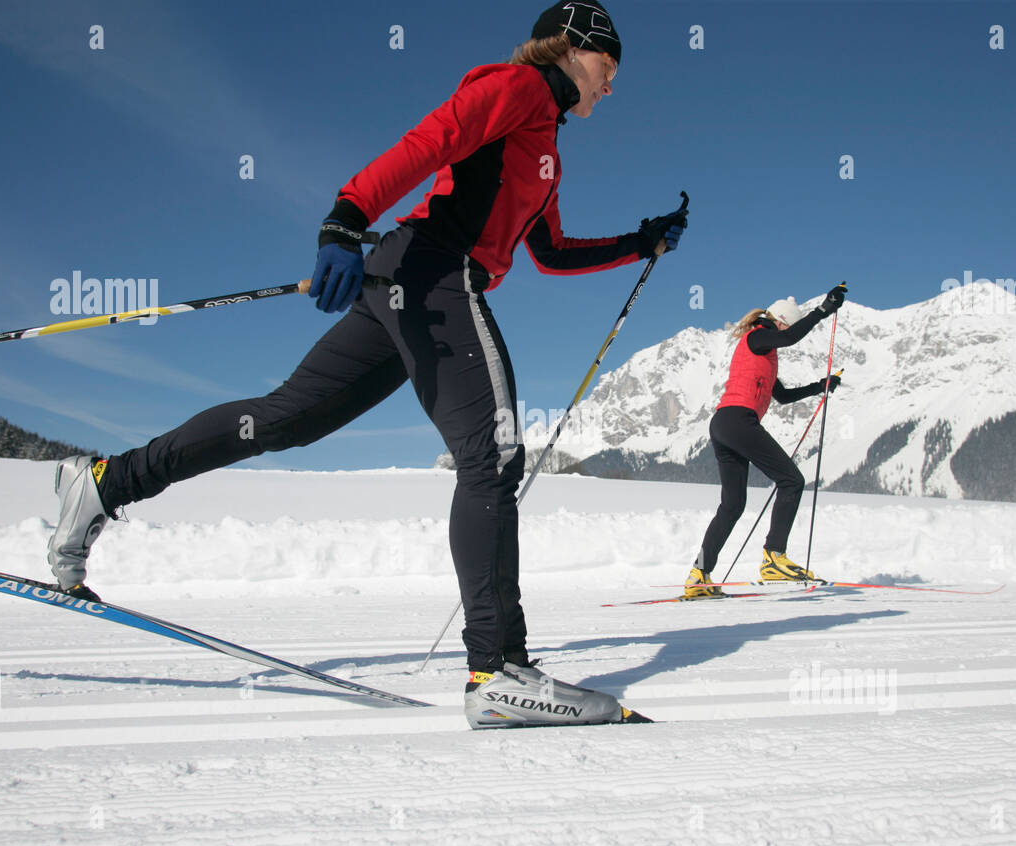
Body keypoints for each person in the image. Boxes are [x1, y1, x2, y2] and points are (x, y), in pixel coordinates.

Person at [46, 1, 682, 728]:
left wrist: (643, 242)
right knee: (493, 455)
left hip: (406, 282)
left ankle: (103, 483)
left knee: (287, 418)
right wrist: (346, 216)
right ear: (573, 47)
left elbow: (551, 251)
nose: (612, 85)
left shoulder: (546, 146)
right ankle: (500, 670)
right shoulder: (520, 89)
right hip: (435, 274)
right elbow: (432, 140)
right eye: (610, 66)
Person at [683, 285, 846, 598]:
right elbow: (789, 338)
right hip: (738, 421)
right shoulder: (760, 335)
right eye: (789, 325)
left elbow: (781, 396)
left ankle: (699, 574)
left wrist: (820, 387)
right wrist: (822, 311)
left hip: (723, 425)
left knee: (732, 505)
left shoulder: (763, 351)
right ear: (782, 321)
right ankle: (774, 557)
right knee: (791, 480)